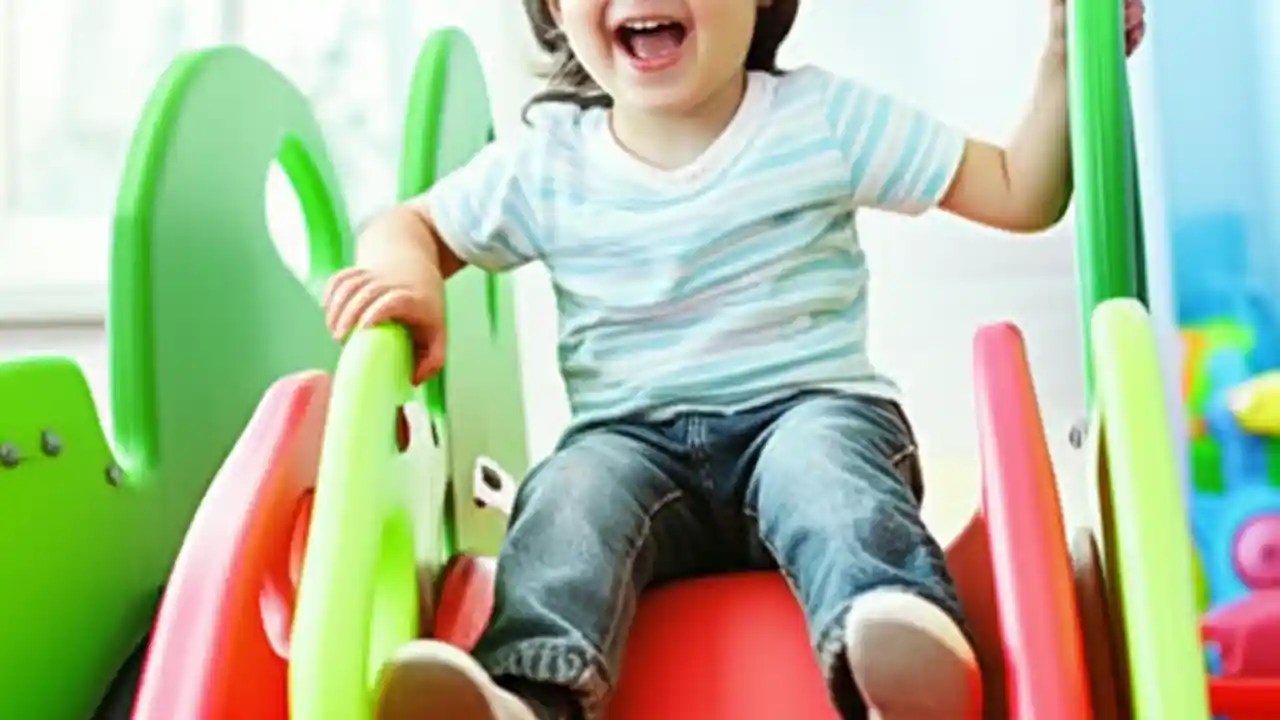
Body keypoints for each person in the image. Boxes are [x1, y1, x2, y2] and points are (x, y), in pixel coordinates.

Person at [323, 0, 1147, 717]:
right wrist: (413, 280)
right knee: (569, 499)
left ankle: (903, 647)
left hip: (806, 409)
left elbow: (1018, 191)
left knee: (830, 477)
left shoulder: (819, 118)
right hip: (629, 446)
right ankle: (528, 695)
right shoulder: (546, 163)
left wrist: (1064, 61)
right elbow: (408, 226)